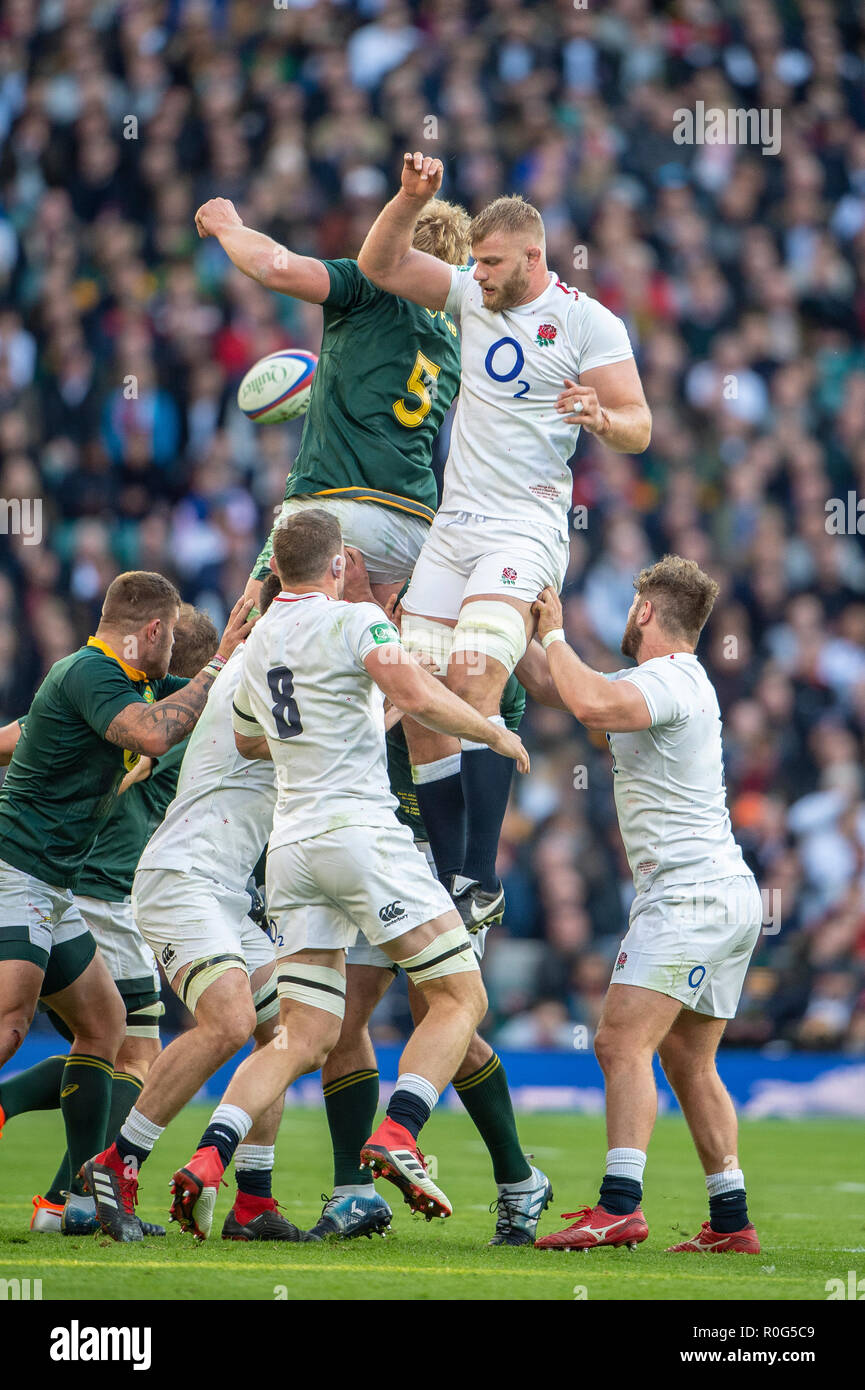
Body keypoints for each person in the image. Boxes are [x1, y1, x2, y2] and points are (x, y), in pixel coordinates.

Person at [162, 509, 529, 1240]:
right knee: (460, 998)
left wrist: (346, 725)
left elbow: (245, 736)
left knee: (301, 1037)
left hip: (291, 852)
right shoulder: (356, 624)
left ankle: (209, 1156)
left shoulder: (261, 638)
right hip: (361, 836)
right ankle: (398, 1133)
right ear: (337, 565)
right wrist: (492, 730)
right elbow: (422, 696)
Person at [357, 151, 652, 936]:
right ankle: (452, 876)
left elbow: (639, 426)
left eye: (489, 263)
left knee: (473, 674)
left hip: (523, 527)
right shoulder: (467, 296)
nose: (475, 274)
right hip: (454, 528)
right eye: (473, 263)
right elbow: (378, 263)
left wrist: (600, 418)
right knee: (419, 702)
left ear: (532, 257)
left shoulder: (587, 321)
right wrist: (408, 197)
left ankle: (480, 875)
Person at [0, 571, 251, 1222]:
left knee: (108, 1032)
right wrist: (223, 659)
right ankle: (75, 1197)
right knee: (20, 1026)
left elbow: (18, 738)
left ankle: (81, 1195)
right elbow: (151, 738)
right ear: (153, 632)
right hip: (40, 874)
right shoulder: (93, 677)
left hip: (62, 883)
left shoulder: (122, 685)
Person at [530, 556, 762, 1254]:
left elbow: (591, 704)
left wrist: (555, 633)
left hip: (687, 895)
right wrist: (510, 632)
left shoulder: (665, 680)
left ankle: (618, 1206)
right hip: (724, 893)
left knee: (618, 1042)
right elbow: (564, 691)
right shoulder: (671, 683)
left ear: (643, 612)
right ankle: (730, 1223)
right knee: (690, 1062)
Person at [81, 575, 291, 1243]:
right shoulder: (253, 683)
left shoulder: (265, 675)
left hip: (224, 889)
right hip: (182, 877)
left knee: (287, 1029)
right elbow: (305, 743)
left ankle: (253, 1201)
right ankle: (117, 1162)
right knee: (228, 1021)